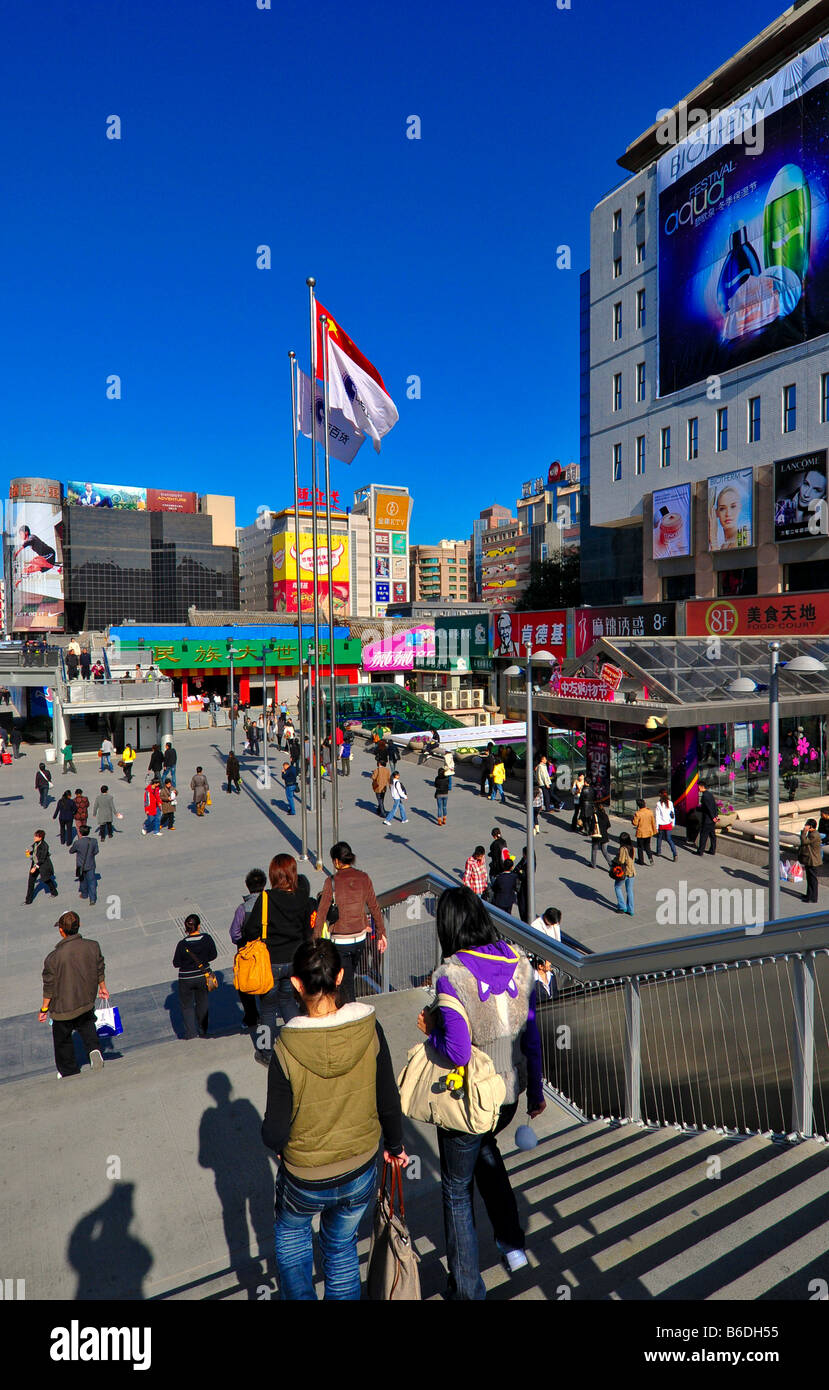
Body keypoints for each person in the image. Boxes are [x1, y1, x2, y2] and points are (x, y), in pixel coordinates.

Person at [262, 937, 408, 1301]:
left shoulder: (285, 1046)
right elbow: (388, 1097)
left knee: (293, 1242)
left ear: (296, 984)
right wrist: (395, 1145)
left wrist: (279, 1145)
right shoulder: (370, 1028)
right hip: (360, 1168)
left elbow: (274, 1130)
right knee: (341, 1249)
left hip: (305, 1176)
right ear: (339, 976)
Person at [419, 886, 544, 1299]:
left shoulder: (451, 976)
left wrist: (429, 1033)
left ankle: (469, 1289)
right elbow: (533, 1037)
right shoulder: (519, 962)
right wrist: (536, 1091)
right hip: (508, 1099)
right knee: (488, 1156)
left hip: (473, 1098)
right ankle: (513, 1247)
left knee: (457, 1189)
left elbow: (455, 1050)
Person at [242, 853, 314, 1065]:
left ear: (273, 875)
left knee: (267, 1008)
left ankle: (266, 1051)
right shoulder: (302, 897)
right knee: (288, 1001)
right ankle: (298, 1042)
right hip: (293, 961)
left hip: (269, 962)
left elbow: (249, 931)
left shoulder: (266, 899)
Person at [314, 842, 386, 1005]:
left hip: (339, 941)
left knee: (345, 983)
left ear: (337, 861)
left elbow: (322, 913)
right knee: (348, 976)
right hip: (360, 939)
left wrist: (316, 941)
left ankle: (350, 1010)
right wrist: (381, 933)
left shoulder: (331, 882)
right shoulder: (364, 877)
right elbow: (374, 907)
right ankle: (346, 1004)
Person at [39, 912, 107, 1078]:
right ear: (79, 926)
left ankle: (69, 1071)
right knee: (88, 1026)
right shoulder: (93, 946)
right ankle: (94, 1050)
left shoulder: (53, 958)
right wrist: (103, 987)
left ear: (61, 931)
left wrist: (44, 1008)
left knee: (63, 1041)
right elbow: (100, 968)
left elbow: (49, 986)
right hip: (86, 1000)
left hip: (63, 1008)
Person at [230, 867, 268, 1029]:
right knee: (266, 984)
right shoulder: (270, 904)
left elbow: (234, 934)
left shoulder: (242, 909)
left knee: (246, 986)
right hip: (266, 951)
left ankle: (252, 1017)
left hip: (247, 952)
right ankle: (267, 1015)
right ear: (265, 884)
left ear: (247, 886)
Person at [173, 914, 218, 1040]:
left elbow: (176, 963)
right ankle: (203, 1030)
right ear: (199, 926)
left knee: (187, 1005)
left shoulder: (182, 944)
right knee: (202, 1003)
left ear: (186, 928)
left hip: (185, 979)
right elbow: (213, 955)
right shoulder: (207, 939)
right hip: (202, 976)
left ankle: (191, 1033)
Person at [530, 907, 562, 999]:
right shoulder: (536, 926)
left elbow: (557, 940)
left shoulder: (554, 924)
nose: (553, 926)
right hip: (543, 955)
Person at [25, 829, 59, 903]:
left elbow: (42, 858)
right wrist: (30, 853)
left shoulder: (44, 846)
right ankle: (28, 900)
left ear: (40, 837)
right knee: (31, 881)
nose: (34, 837)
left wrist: (35, 867)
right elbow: (35, 851)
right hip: (35, 864)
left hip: (43, 865)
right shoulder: (36, 843)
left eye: (36, 836)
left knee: (47, 880)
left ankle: (54, 892)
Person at [70, 826, 100, 905]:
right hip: (91, 864)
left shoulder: (77, 842)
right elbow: (96, 851)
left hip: (81, 865)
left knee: (82, 880)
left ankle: (84, 894)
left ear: (80, 832)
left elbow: (71, 851)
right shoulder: (94, 841)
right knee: (92, 882)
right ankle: (93, 899)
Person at [612, 832, 636, 915]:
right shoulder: (632, 848)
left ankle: (622, 907)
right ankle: (631, 909)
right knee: (629, 890)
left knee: (617, 887)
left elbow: (621, 861)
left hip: (624, 872)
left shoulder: (623, 849)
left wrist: (615, 859)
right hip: (632, 872)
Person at [800, 818, 822, 905]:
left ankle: (813, 898)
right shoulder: (812, 833)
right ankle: (809, 895)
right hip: (810, 859)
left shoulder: (814, 835)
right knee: (809, 878)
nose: (805, 826)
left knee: (813, 879)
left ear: (811, 826)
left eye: (807, 825)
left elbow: (804, 841)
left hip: (813, 860)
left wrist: (804, 832)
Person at [696, 781, 719, 857]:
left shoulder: (705, 796)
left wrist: (713, 817)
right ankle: (712, 850)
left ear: (702, 787)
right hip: (712, 819)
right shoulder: (709, 794)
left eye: (699, 786)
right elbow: (714, 806)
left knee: (703, 835)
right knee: (712, 835)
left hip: (708, 819)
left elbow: (709, 808)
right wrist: (716, 816)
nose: (698, 788)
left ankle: (700, 851)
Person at [632, 798, 656, 865]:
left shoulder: (638, 813)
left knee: (640, 847)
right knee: (647, 846)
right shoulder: (650, 812)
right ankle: (650, 858)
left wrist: (633, 819)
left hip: (641, 833)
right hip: (648, 832)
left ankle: (641, 861)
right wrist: (654, 831)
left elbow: (635, 823)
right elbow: (653, 822)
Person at [655, 790, 678, 860]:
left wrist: (656, 826)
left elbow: (657, 816)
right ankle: (675, 853)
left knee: (659, 838)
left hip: (661, 825)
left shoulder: (659, 804)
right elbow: (672, 814)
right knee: (669, 839)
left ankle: (658, 852)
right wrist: (673, 823)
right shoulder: (670, 803)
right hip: (668, 824)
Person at [589, 803, 613, 869]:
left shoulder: (595, 816)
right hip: (605, 835)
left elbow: (592, 826)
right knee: (605, 851)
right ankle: (611, 864)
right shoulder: (605, 815)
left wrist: (590, 832)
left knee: (594, 850)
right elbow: (609, 825)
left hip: (597, 836)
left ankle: (593, 864)